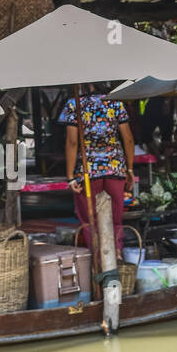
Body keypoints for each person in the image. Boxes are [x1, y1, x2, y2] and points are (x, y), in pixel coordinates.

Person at [61, 86, 134, 251]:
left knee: (89, 220)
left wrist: (70, 175)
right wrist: (129, 169)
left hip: (88, 171)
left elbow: (72, 142)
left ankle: (97, 260)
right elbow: (128, 139)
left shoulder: (74, 104)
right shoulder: (115, 103)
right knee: (115, 218)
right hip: (114, 168)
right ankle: (116, 255)